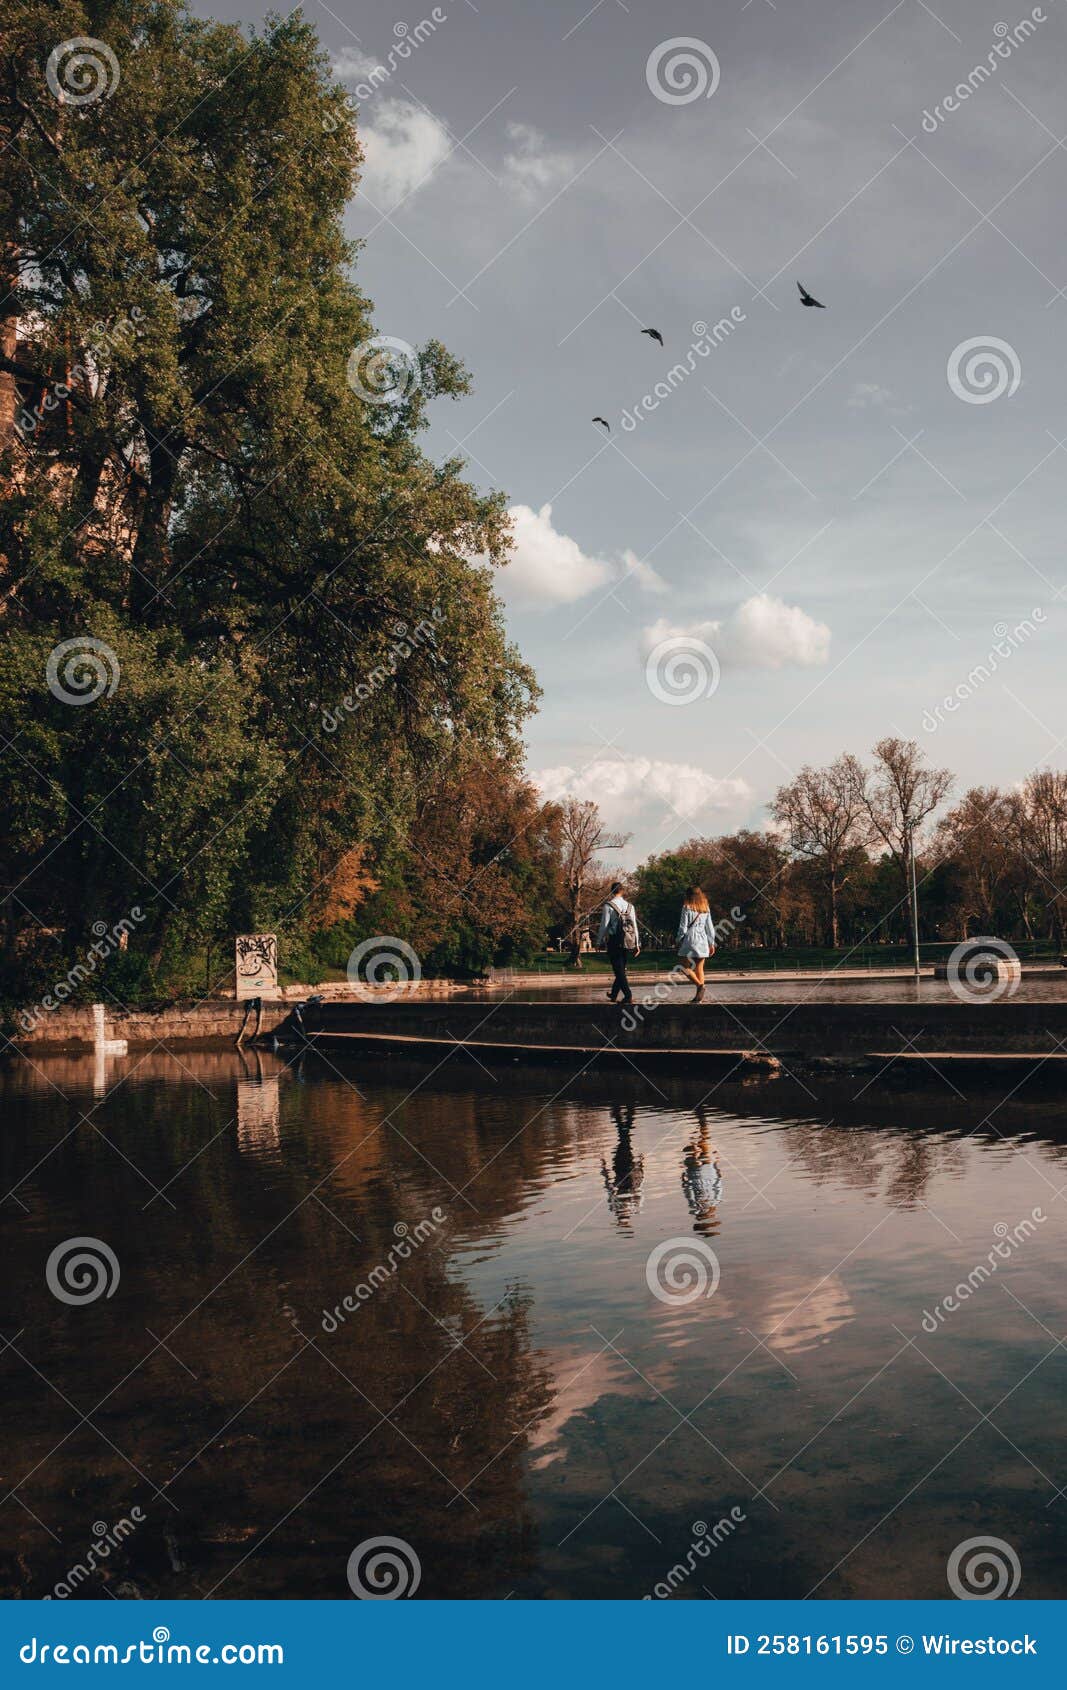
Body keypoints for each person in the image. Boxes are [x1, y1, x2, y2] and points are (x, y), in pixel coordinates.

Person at [597, 881, 640, 1004]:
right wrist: (637, 944)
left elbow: (604, 925)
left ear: (611, 891)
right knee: (620, 968)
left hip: (614, 940)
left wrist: (599, 941)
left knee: (618, 969)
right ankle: (614, 994)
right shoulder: (630, 906)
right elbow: (635, 926)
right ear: (623, 891)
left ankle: (628, 995)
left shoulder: (608, 906)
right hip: (628, 940)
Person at [676, 885, 716, 1003]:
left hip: (690, 939)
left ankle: (699, 986)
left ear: (688, 895)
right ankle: (699, 996)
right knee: (700, 968)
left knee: (684, 966)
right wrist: (711, 943)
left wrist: (678, 939)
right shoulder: (705, 907)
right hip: (703, 939)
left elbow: (683, 928)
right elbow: (710, 928)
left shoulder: (686, 907)